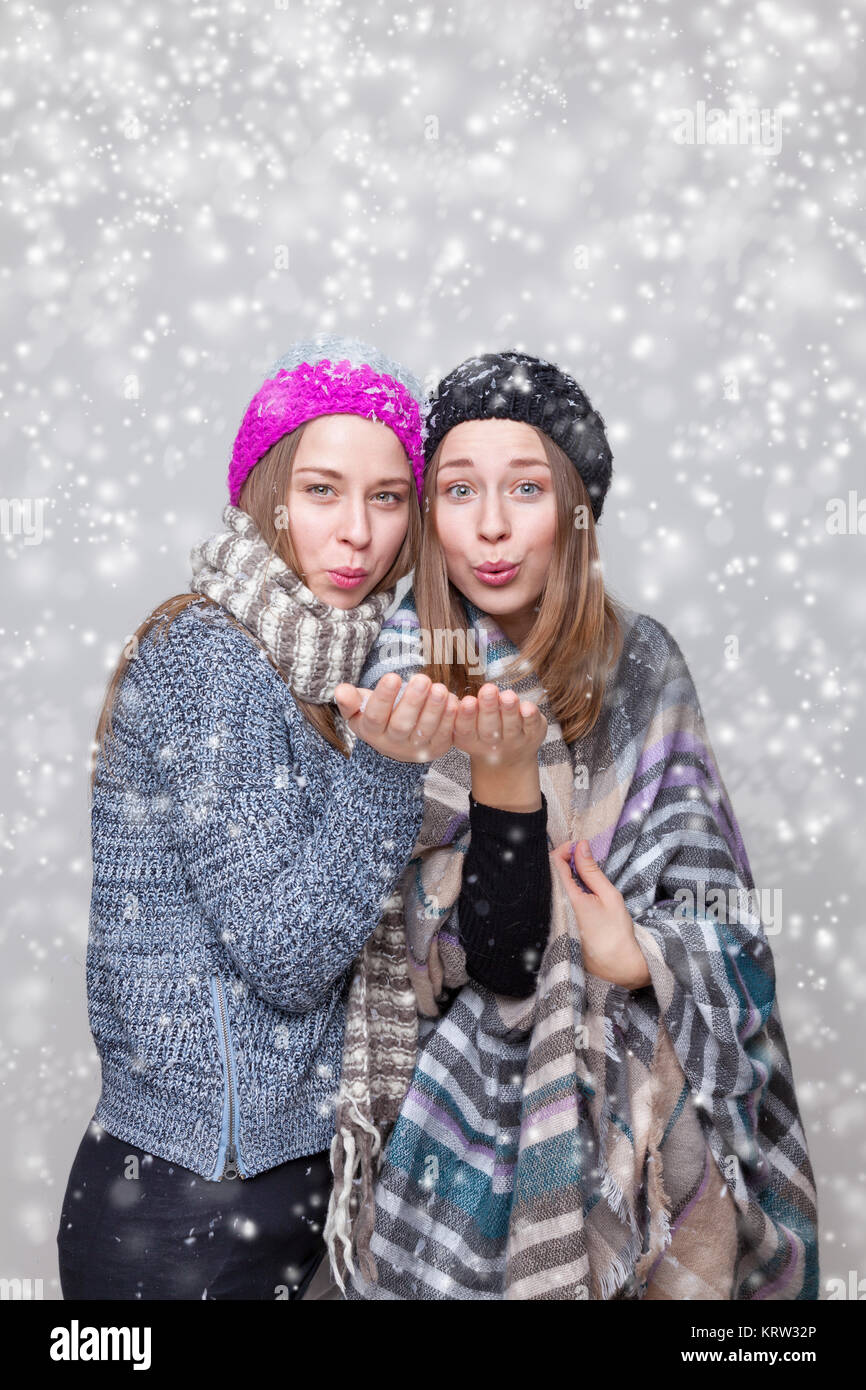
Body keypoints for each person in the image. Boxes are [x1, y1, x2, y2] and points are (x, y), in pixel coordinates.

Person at [326, 350, 820, 1301]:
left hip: (652, 1137)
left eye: (527, 488)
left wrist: (639, 956)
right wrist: (512, 834)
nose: (493, 527)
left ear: (577, 511)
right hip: (454, 1137)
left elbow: (732, 925)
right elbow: (451, 955)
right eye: (460, 490)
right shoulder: (393, 686)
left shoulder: (642, 667)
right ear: (429, 512)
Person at [55, 334, 467, 1300]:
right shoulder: (208, 655)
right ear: (268, 494)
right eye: (323, 491)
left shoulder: (339, 670)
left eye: (386, 497)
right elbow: (287, 953)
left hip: (294, 1191)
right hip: (186, 1202)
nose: (356, 534)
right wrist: (390, 769)